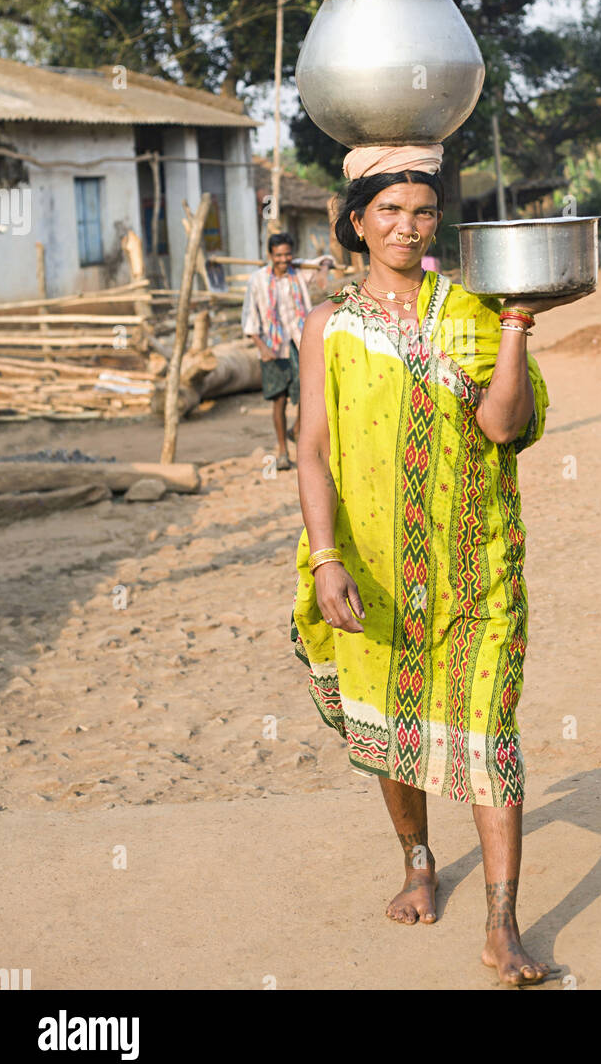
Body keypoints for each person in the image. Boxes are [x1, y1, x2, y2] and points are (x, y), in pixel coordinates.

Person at [290, 142, 581, 986]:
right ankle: (418, 862)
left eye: (422, 211)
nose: (408, 226)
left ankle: (502, 926)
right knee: (390, 725)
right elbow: (311, 451)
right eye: (390, 211)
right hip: (371, 566)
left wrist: (518, 326)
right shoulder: (329, 327)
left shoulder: (475, 309)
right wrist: (326, 560)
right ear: (357, 222)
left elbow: (501, 426)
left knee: (491, 735)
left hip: (473, 563)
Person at [241, 233, 334, 469]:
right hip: (272, 345)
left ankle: (297, 429)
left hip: (299, 341)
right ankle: (282, 451)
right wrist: (261, 347)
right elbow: (250, 317)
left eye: (287, 254)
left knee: (307, 390)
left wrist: (323, 271)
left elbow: (326, 258)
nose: (284, 259)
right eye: (279, 255)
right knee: (279, 399)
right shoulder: (258, 280)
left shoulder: (299, 272)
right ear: (270, 255)